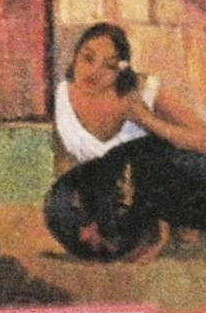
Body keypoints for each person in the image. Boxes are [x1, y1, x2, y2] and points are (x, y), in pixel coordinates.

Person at [41, 19, 206, 259]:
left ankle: (165, 229)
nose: (95, 72)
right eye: (88, 58)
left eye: (108, 66)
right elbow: (66, 165)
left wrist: (146, 120)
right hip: (107, 194)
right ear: (75, 57)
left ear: (121, 70)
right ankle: (123, 239)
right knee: (60, 207)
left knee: (146, 163)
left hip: (160, 185)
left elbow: (202, 140)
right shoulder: (62, 96)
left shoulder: (142, 90)